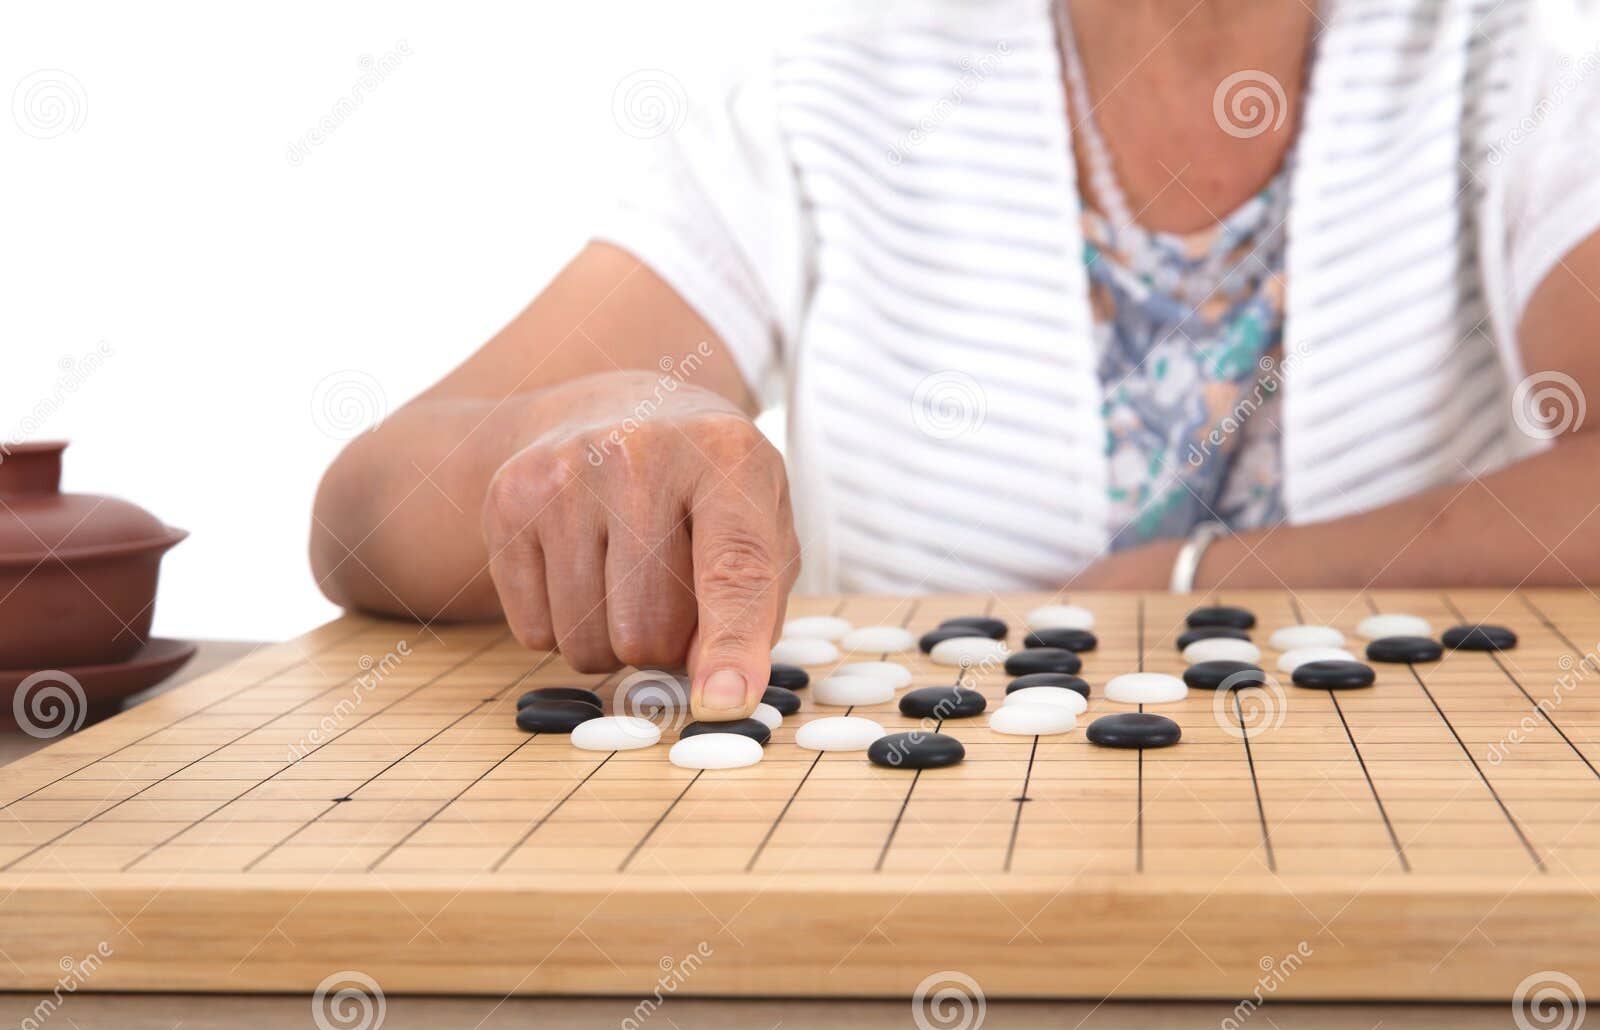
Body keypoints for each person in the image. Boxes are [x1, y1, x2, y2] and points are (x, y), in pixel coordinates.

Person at [311, 0, 1600, 720]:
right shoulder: (829, 91)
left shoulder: (1506, 79)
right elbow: (363, 519)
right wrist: (602, 415)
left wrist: (1191, 575)